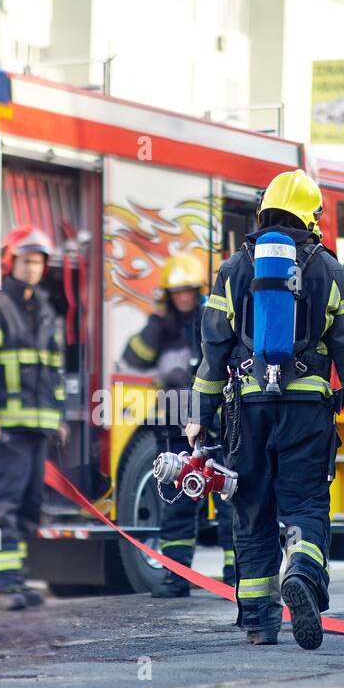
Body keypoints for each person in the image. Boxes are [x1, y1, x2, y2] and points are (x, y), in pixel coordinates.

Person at [185, 169, 344, 648]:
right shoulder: (328, 269)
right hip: (306, 411)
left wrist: (199, 415)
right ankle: (302, 570)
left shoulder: (235, 268)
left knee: (252, 508)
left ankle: (258, 620)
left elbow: (214, 348)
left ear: (265, 210)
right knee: (307, 504)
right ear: (311, 218)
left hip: (247, 412)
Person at [0, 225, 68, 611]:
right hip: (3, 429)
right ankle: (2, 584)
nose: (32, 268)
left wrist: (58, 417)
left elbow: (53, 368)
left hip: (36, 428)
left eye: (38, 261)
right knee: (0, 505)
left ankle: (16, 580)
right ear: (10, 262)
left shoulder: (45, 309)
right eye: (25, 260)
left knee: (28, 505)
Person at [121, 250, 236, 597]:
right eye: (177, 292)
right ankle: (176, 576)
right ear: (169, 295)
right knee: (177, 501)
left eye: (188, 290)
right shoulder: (161, 328)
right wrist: (155, 325)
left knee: (230, 499)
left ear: (198, 290)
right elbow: (132, 358)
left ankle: (237, 573)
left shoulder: (213, 320)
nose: (183, 297)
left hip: (215, 425)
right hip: (173, 424)